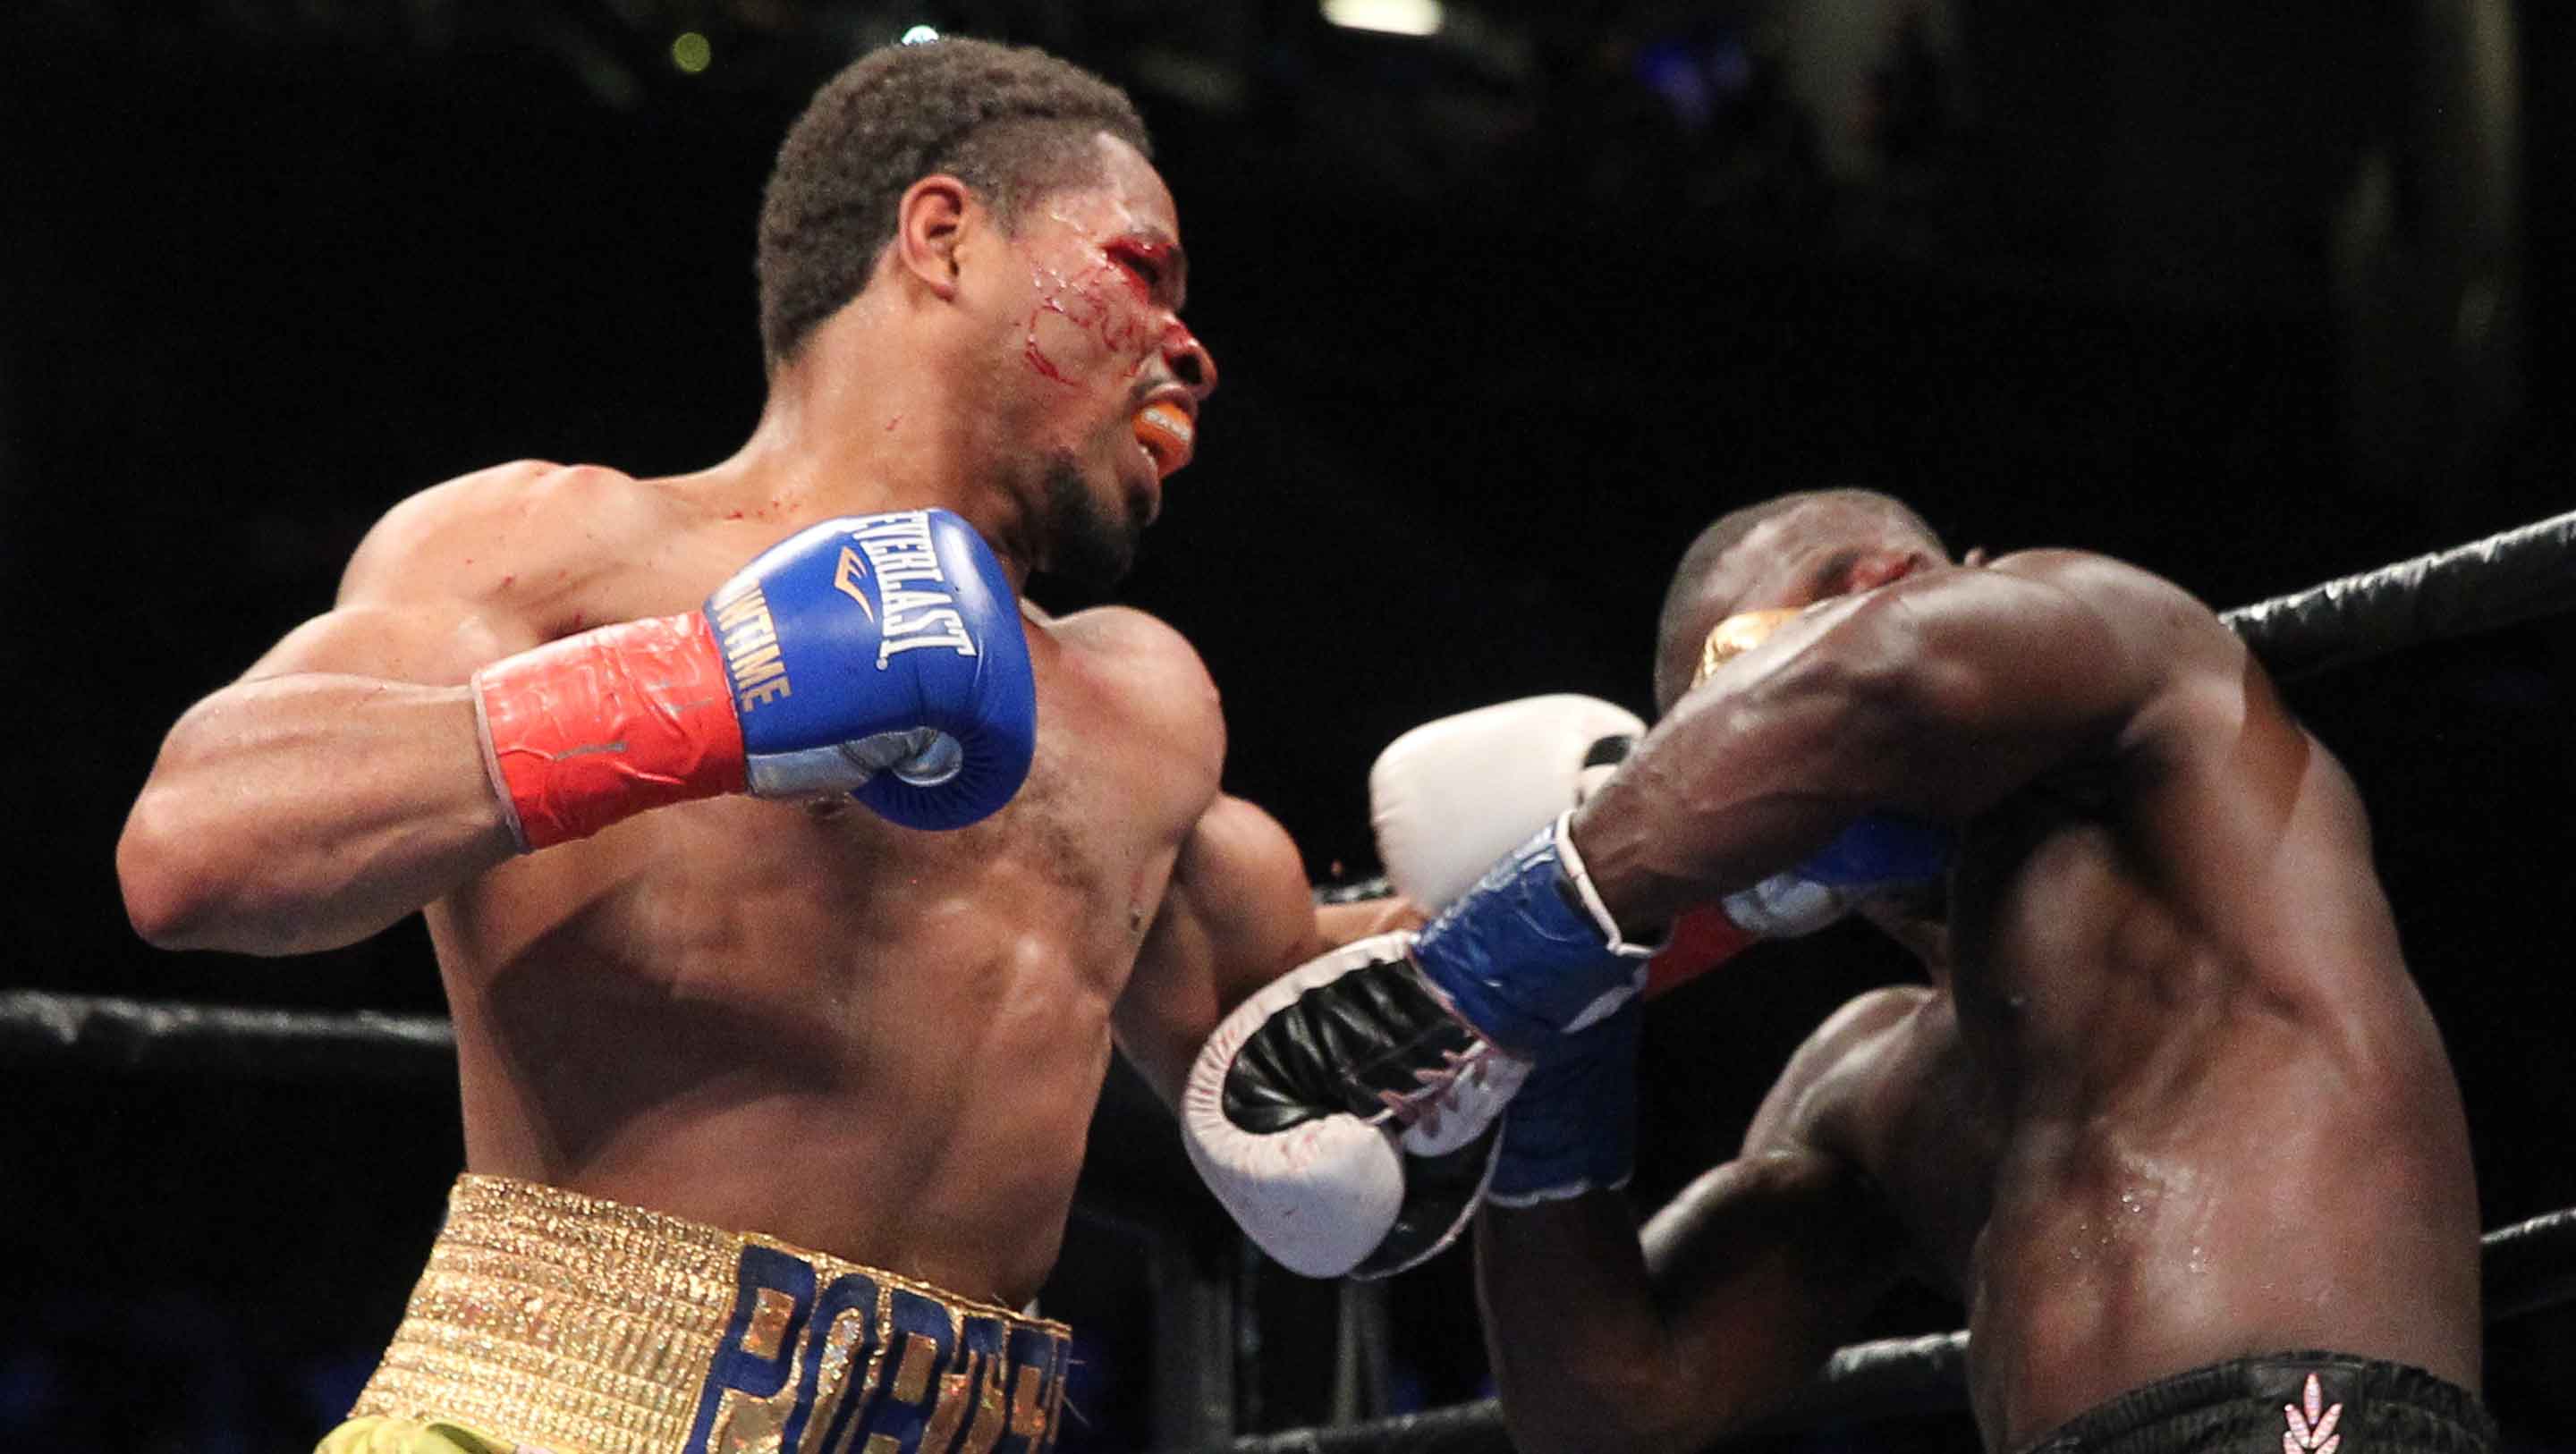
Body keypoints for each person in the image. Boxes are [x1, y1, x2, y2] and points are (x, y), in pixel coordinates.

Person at [116, 37, 1394, 1454]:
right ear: (943, 238)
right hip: (547, 1420)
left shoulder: (1144, 711)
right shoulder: (570, 553)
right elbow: (193, 845)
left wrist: (1566, 893)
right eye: (1141, 270)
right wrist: (708, 689)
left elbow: (1305, 1034)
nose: (1190, 349)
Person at [1194, 488, 2493, 1454]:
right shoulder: (1875, 1085)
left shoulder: (2148, 658)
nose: (1877, 599)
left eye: (1753, 672)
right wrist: (1560, 1024)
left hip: (2313, 1422)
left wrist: (1478, 965)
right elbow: (1609, 1410)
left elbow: (1878, 683)